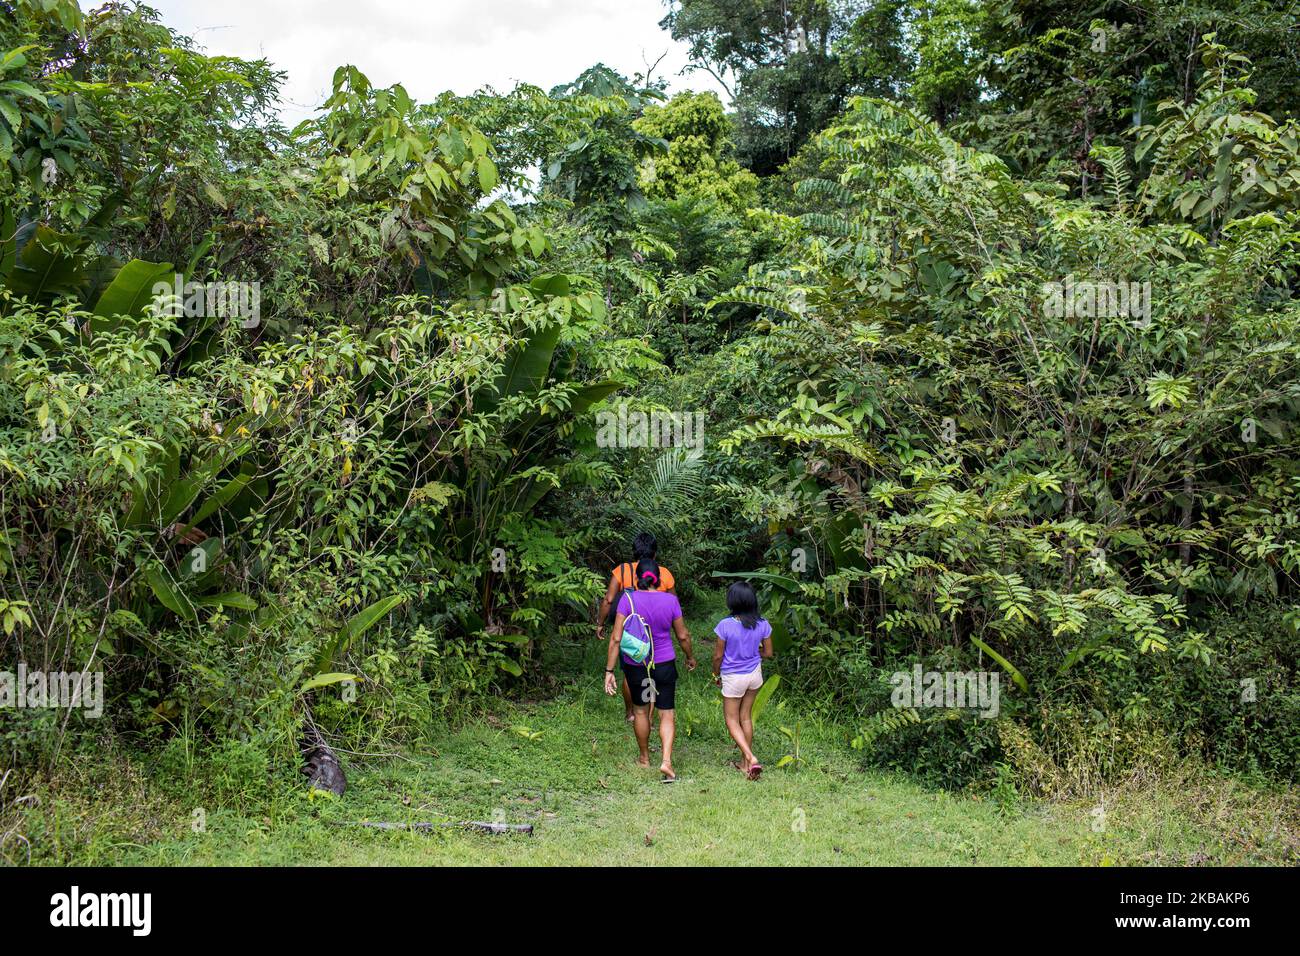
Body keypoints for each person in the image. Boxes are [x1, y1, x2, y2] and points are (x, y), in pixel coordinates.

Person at [604, 558, 697, 781]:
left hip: (638, 665)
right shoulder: (670, 601)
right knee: (666, 713)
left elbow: (616, 638)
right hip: (664, 664)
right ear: (659, 579)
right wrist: (690, 656)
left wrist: (609, 671)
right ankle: (666, 761)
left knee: (640, 711)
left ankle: (645, 758)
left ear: (637, 579)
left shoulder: (628, 599)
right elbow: (682, 635)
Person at [596, 532, 676, 721]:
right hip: (657, 633)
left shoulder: (621, 571)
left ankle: (632, 712)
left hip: (629, 632)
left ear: (633, 551)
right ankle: (649, 715)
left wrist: (600, 623)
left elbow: (608, 600)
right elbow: (674, 602)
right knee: (654, 671)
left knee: (630, 671)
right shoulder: (663, 573)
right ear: (654, 554)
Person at [711, 581, 773, 780]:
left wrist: (715, 674)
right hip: (755, 675)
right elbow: (769, 653)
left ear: (732, 601)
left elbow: (718, 657)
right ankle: (745, 764)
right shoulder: (762, 624)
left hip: (733, 677)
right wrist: (753, 652)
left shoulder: (725, 625)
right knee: (745, 717)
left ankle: (750, 757)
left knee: (731, 719)